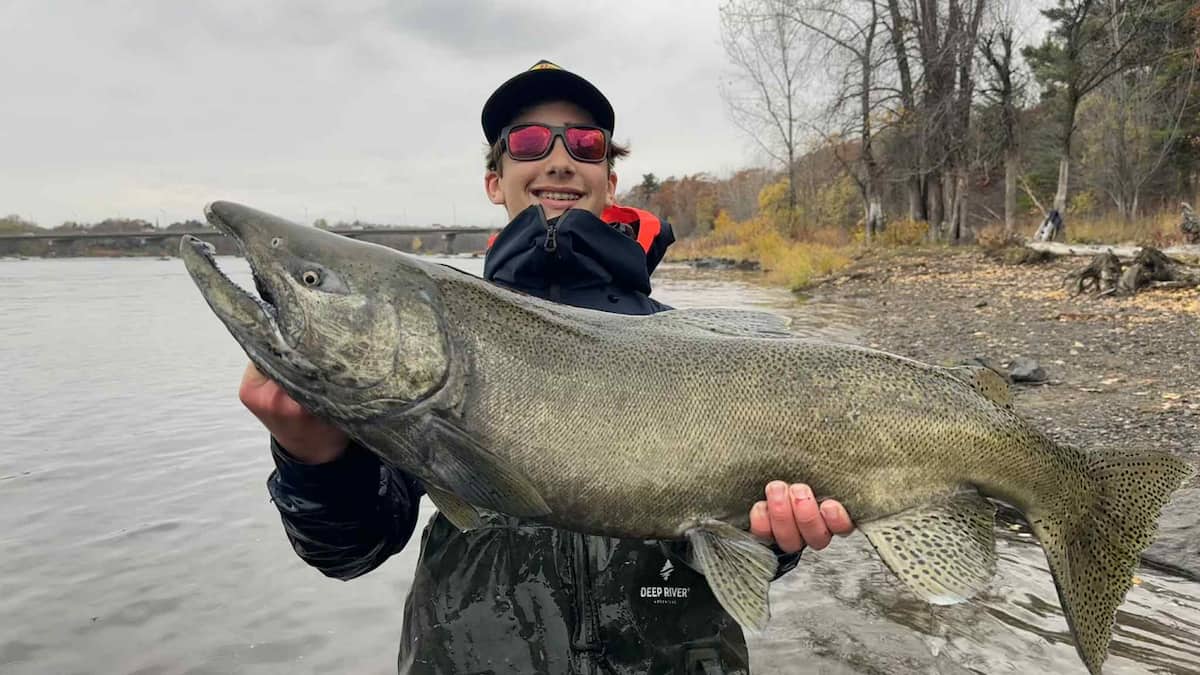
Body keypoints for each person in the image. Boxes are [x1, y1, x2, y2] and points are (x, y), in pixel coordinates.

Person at [240, 60, 855, 674]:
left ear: (609, 180)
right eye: (530, 141)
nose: (560, 160)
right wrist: (311, 460)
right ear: (494, 180)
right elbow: (351, 552)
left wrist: (770, 540)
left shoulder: (704, 349)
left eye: (586, 144)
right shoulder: (424, 349)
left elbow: (728, 549)